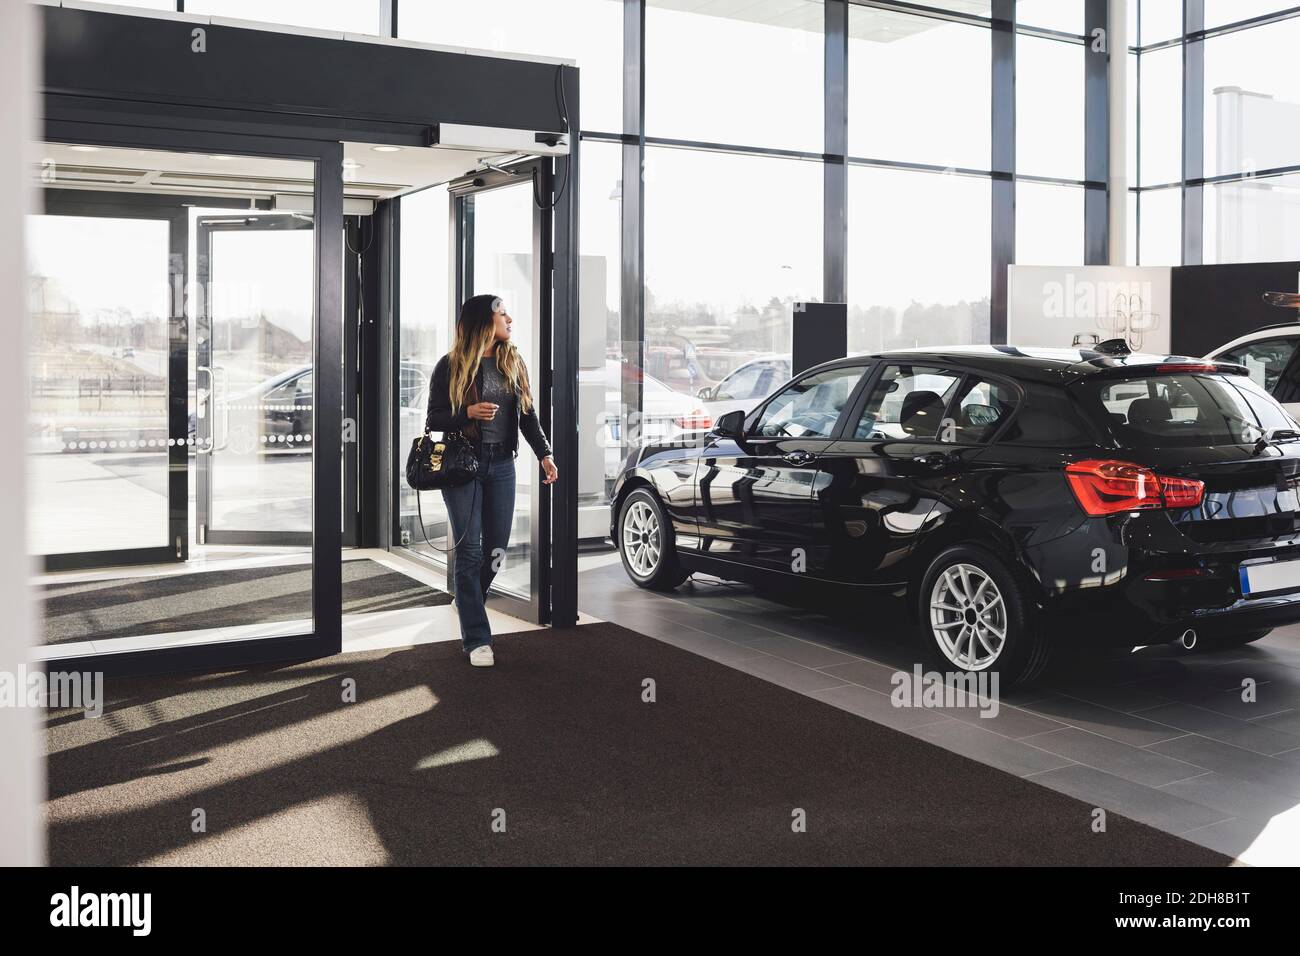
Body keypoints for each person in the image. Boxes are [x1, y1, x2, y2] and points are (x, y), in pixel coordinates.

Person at [425, 293, 558, 667]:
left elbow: (528, 416)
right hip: (463, 468)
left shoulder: (513, 362)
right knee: (469, 551)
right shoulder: (450, 366)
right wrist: (467, 411)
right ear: (484, 321)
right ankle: (477, 639)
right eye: (502, 313)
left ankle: (467, 600)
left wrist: (545, 454)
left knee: (496, 549)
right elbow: (434, 419)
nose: (509, 319)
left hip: (502, 466)